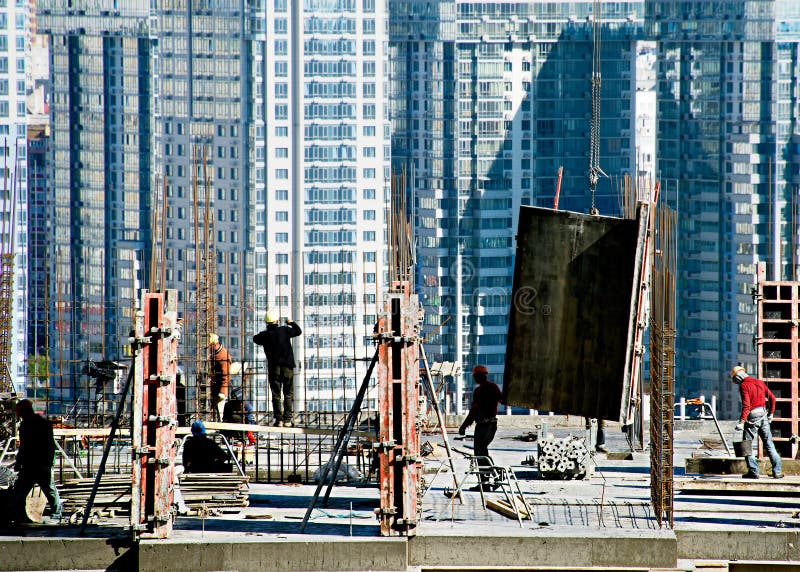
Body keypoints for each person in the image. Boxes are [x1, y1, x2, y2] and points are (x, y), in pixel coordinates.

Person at [11, 399, 62, 524]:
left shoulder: (38, 425)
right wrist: (19, 462)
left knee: (46, 489)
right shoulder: (33, 424)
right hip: (33, 464)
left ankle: (57, 514)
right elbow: (24, 446)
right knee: (23, 491)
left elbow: (49, 446)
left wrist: (48, 463)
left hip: (38, 464)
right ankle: (22, 515)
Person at [730, 366, 783, 479]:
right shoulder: (760, 382)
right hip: (763, 416)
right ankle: (777, 472)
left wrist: (741, 421)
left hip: (752, 418)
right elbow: (773, 398)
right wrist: (771, 414)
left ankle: (754, 472)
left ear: (738, 377)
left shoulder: (744, 385)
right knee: (769, 444)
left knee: (747, 445)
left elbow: (746, 405)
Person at [253, 311, 302, 427]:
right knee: (288, 394)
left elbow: (255, 339)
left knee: (276, 394)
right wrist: (291, 323)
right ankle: (288, 420)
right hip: (287, 367)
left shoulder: (264, 335)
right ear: (276, 321)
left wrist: (266, 334)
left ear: (266, 322)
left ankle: (279, 420)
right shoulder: (285, 330)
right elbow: (298, 331)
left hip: (274, 368)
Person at [459, 364, 503, 491]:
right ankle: (487, 480)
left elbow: (473, 412)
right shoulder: (491, 388)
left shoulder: (481, 391)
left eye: (476, 376)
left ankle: (491, 478)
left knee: (480, 451)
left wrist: (463, 427)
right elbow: (502, 399)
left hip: (485, 425)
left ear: (479, 376)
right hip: (489, 425)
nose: (475, 379)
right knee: (481, 451)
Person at [208, 333, 231, 421]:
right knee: (211, 413)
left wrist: (222, 391)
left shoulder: (223, 355)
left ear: (214, 344)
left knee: (220, 412)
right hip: (212, 388)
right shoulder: (213, 354)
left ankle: (222, 428)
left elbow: (225, 375)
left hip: (219, 391)